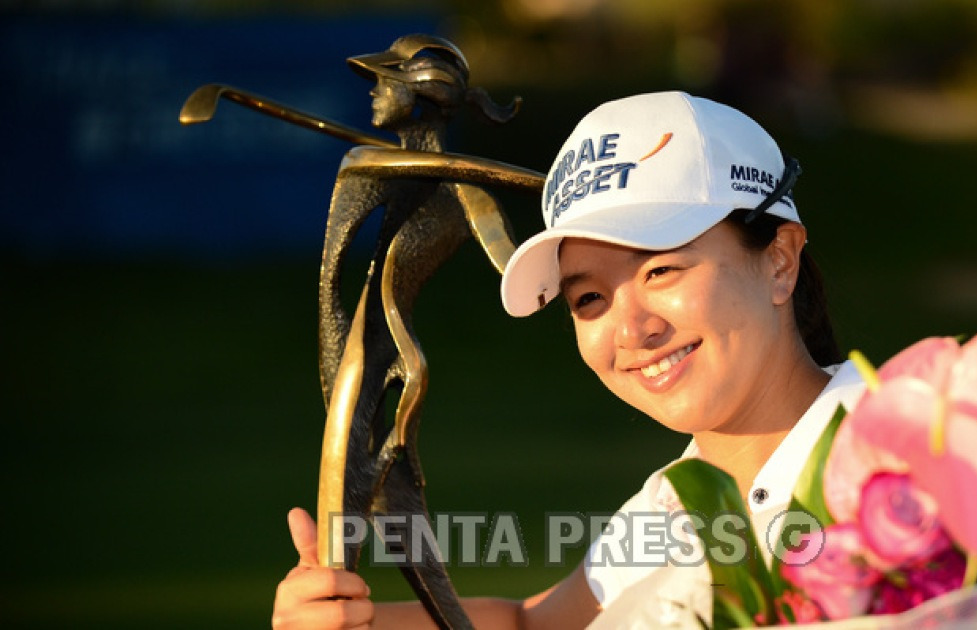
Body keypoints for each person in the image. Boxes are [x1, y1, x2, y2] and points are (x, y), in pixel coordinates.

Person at [271, 91, 865, 629]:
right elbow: (534, 624)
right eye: (590, 298)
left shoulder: (913, 458)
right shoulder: (667, 510)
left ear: (780, 261)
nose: (632, 328)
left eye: (661, 269)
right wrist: (353, 621)